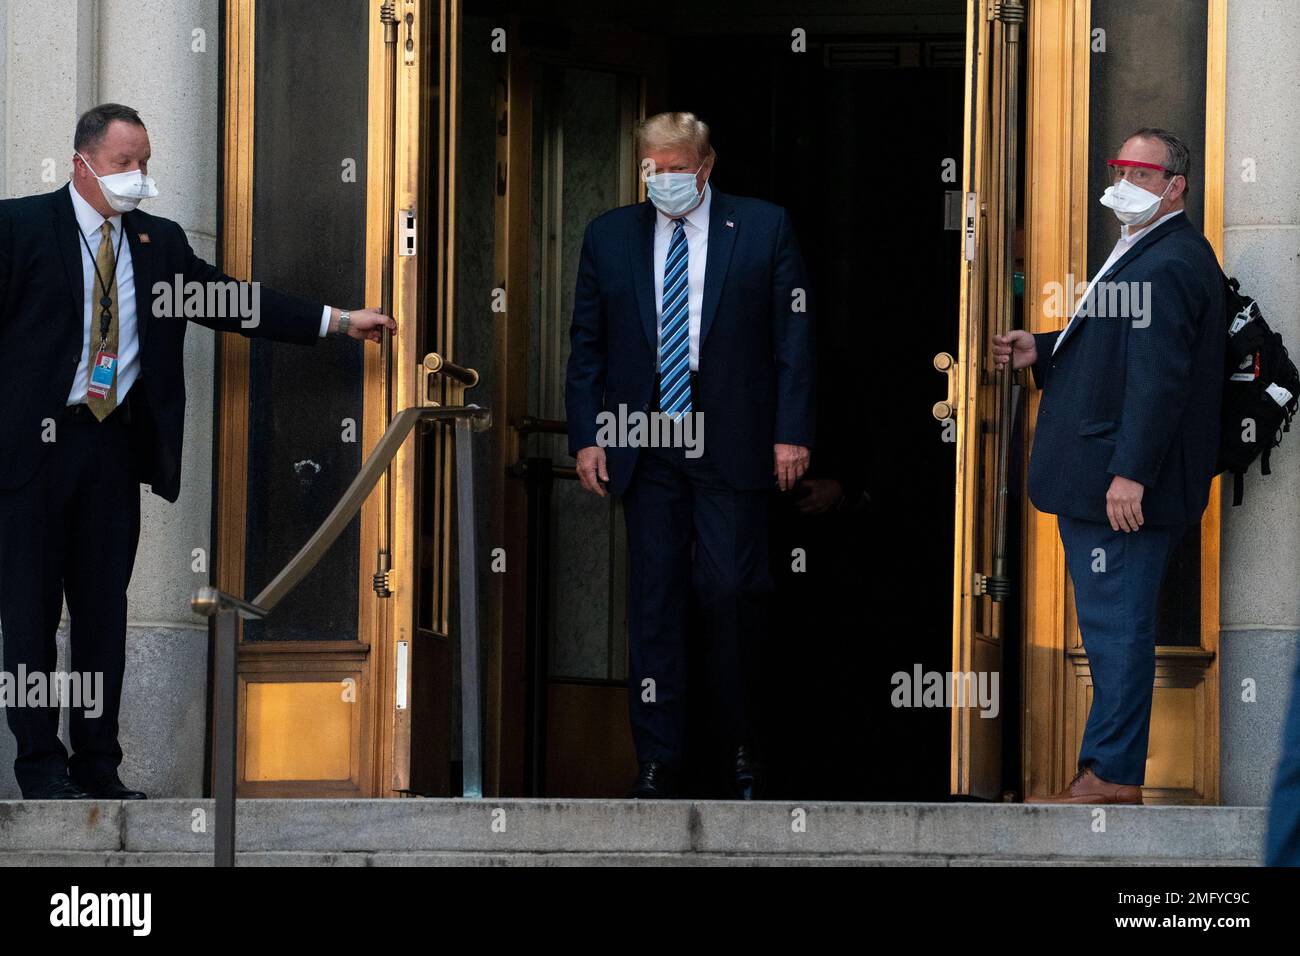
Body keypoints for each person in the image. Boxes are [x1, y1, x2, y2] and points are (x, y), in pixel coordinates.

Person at [0, 103, 394, 800]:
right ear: (82, 164)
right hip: (31, 456)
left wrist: (337, 321)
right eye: (124, 163)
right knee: (28, 614)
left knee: (102, 613)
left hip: (111, 449)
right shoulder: (20, 227)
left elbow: (231, 302)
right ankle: (40, 768)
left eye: (144, 161)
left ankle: (98, 765)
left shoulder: (159, 244)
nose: (138, 175)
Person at [565, 111, 815, 798]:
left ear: (706, 168)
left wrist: (792, 432)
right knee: (655, 601)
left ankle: (741, 749)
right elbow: (587, 343)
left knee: (731, 593)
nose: (664, 180)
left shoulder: (763, 226)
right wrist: (587, 435)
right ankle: (657, 759)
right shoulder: (609, 235)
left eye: (677, 169)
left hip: (732, 432)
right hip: (644, 435)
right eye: (652, 168)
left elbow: (794, 339)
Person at [993, 127, 1224, 804]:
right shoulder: (1146, 247)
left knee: (1117, 629)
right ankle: (1105, 771)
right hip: (1105, 478)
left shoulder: (1169, 261)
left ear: (1176, 187)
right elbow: (1118, 346)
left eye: (1143, 174)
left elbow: (1158, 380)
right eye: (1120, 169)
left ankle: (1112, 777)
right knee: (1110, 627)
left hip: (1118, 487)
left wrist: (1131, 473)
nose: (1125, 183)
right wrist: (1044, 348)